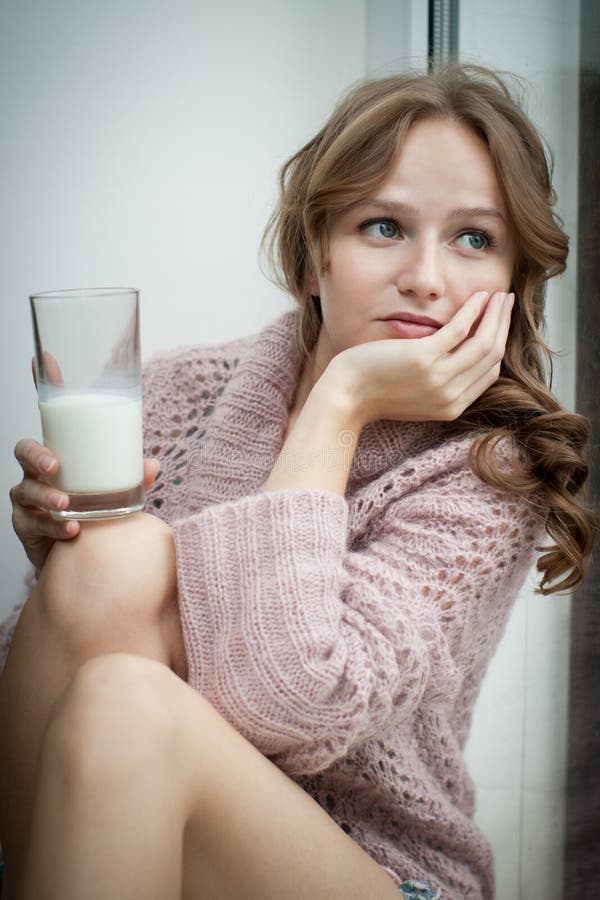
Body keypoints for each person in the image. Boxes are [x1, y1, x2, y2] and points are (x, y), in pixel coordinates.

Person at [0, 63, 594, 900]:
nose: (427, 275)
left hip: (377, 871)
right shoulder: (177, 390)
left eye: (473, 239)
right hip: (127, 833)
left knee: (127, 705)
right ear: (315, 253)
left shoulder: (489, 476)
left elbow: (287, 702)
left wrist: (340, 405)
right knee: (109, 576)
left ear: (511, 283)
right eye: (384, 226)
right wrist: (58, 561)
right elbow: (42, 706)